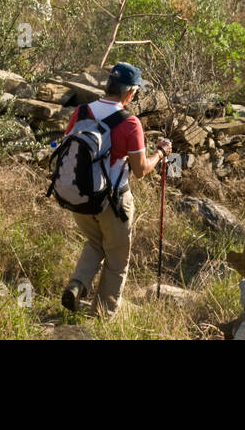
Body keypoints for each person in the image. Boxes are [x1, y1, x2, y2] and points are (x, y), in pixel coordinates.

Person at [61, 62, 171, 317]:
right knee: (117, 259)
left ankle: (77, 286)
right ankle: (102, 315)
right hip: (114, 201)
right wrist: (161, 153)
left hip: (79, 197)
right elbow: (141, 169)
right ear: (130, 92)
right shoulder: (130, 123)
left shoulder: (81, 112)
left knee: (95, 242)